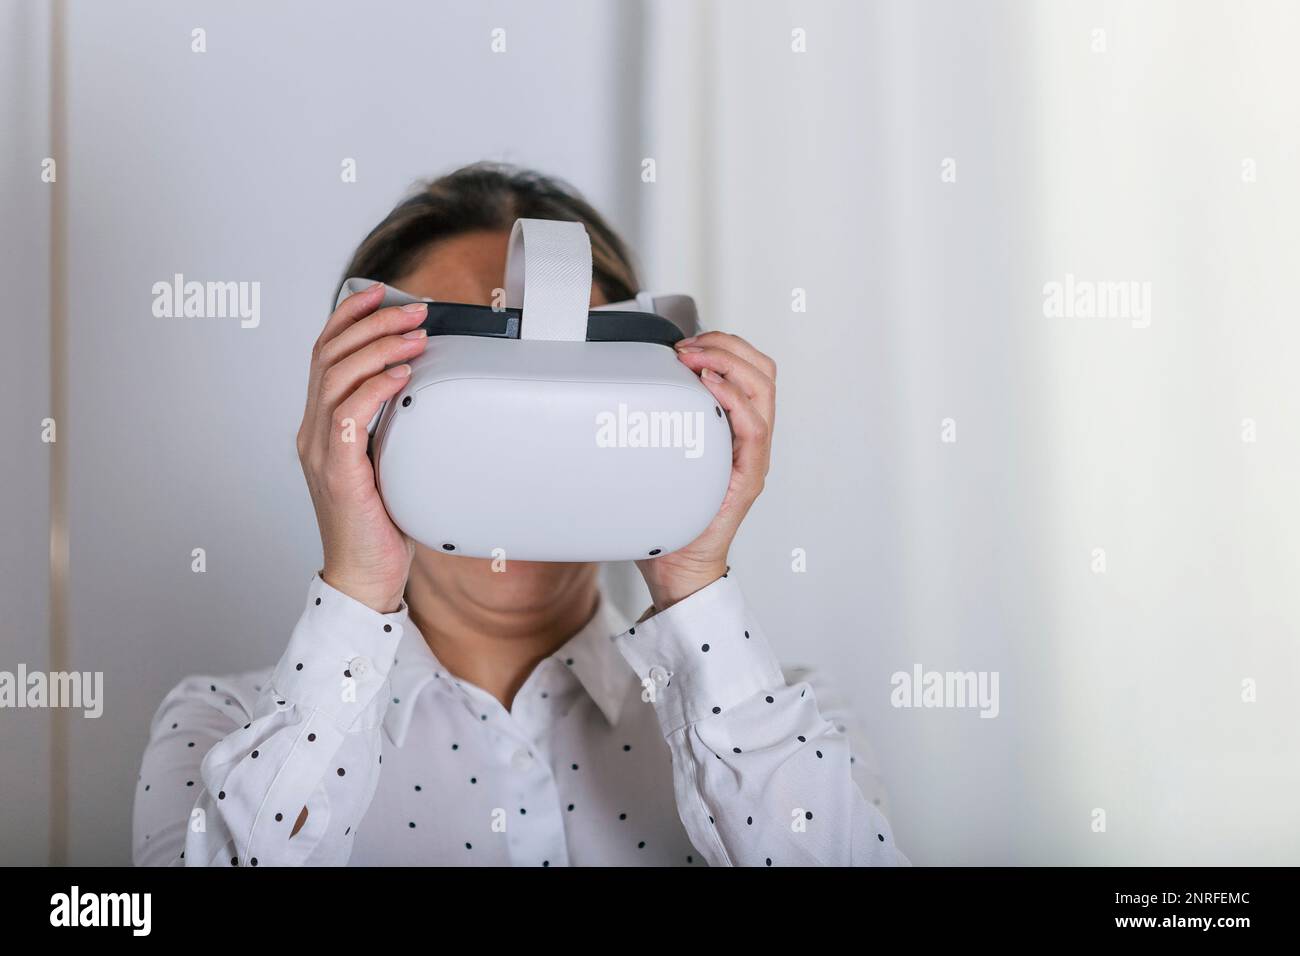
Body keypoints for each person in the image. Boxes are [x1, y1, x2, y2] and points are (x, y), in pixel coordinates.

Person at [131, 162, 906, 866]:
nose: (527, 459)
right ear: (363, 419)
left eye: (570, 398)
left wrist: (694, 573)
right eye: (473, 398)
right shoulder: (225, 727)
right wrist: (356, 589)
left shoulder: (776, 727)